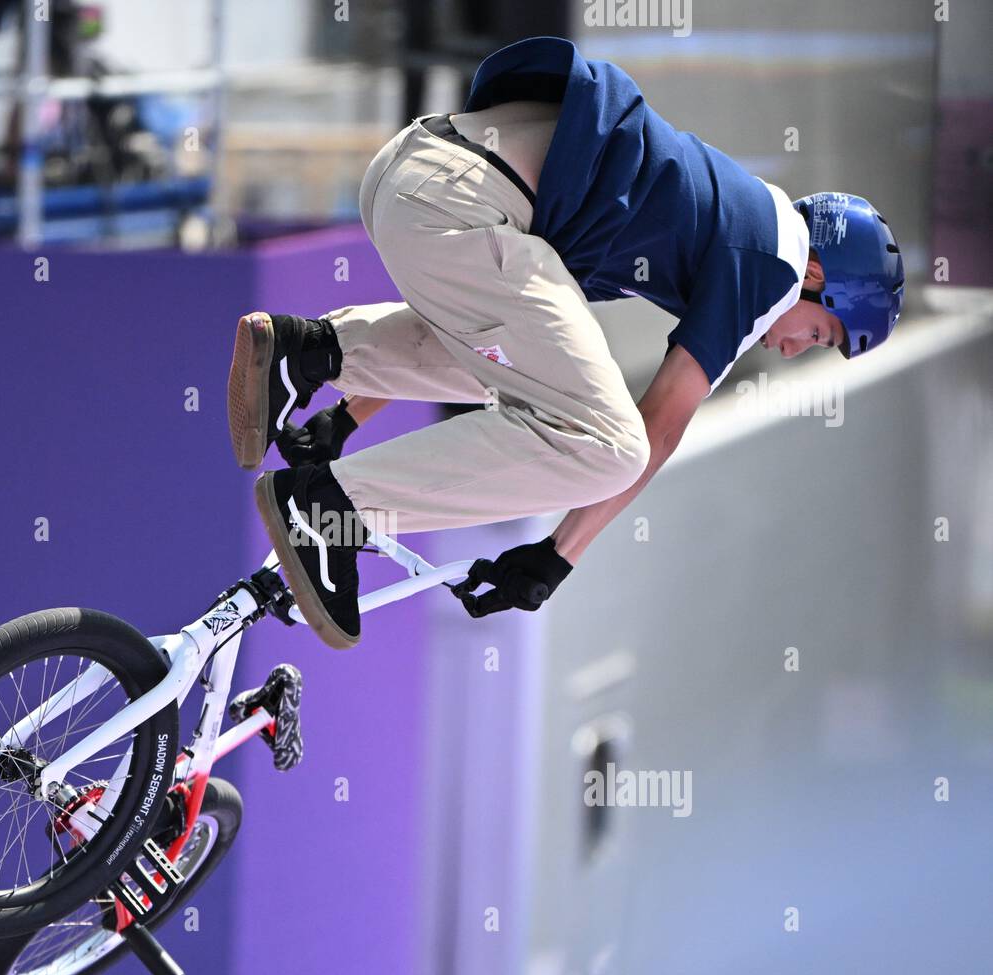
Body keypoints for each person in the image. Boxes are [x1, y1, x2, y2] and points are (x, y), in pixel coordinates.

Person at [226, 36, 905, 650]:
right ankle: (329, 508)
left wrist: (344, 413)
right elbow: (658, 428)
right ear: (815, 277)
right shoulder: (773, 262)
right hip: (459, 205)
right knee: (611, 446)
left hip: (410, 177)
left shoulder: (695, 218)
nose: (794, 349)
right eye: (821, 334)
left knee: (532, 377)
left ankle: (305, 354)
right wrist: (556, 556)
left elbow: (478, 326)